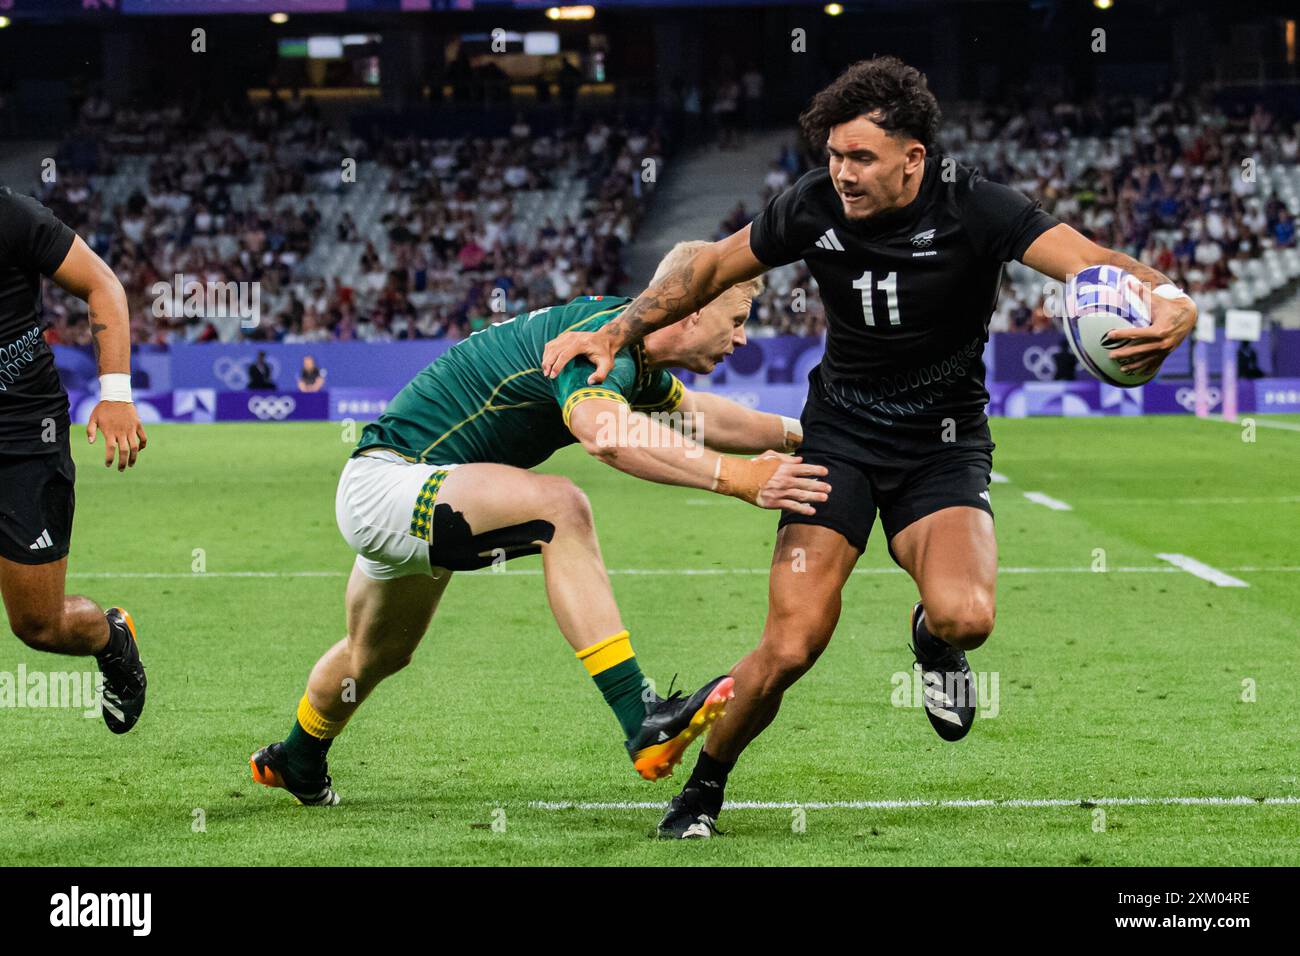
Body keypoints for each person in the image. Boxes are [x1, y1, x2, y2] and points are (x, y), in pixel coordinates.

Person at [540, 57, 1198, 838]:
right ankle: (702, 791)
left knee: (967, 617)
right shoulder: (811, 206)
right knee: (790, 645)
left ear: (913, 157)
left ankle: (930, 642)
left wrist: (1175, 302)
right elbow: (708, 265)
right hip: (841, 439)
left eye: (860, 158)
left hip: (942, 444)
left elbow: (1105, 266)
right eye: (833, 156)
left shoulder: (980, 207)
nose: (841, 173)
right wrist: (618, 329)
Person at [250, 241, 830, 807]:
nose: (742, 336)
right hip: (393, 484)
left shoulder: (630, 349)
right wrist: (738, 478)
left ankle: (298, 756)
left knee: (374, 656)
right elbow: (606, 436)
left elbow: (700, 416)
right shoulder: (601, 345)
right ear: (693, 307)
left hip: (412, 491)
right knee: (560, 508)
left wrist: (810, 432)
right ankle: (642, 718)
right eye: (736, 318)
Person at [0, 185, 150, 734]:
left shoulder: (11, 214)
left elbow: (102, 284)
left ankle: (112, 640)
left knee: (39, 624)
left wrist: (115, 394)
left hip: (21, 438)